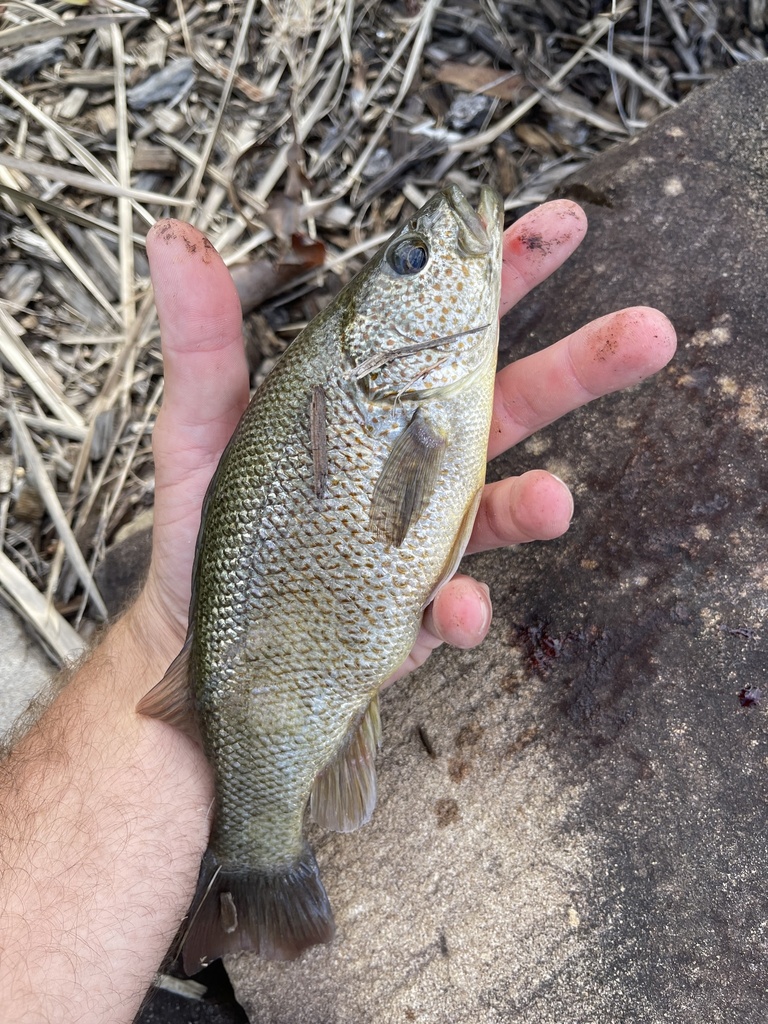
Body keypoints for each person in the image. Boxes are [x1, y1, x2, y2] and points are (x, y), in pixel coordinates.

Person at [0, 199, 676, 1024]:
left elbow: (410, 507)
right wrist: (164, 638)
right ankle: (257, 861)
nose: (440, 244)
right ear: (373, 335)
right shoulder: (392, 394)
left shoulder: (409, 390)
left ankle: (252, 864)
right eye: (411, 262)